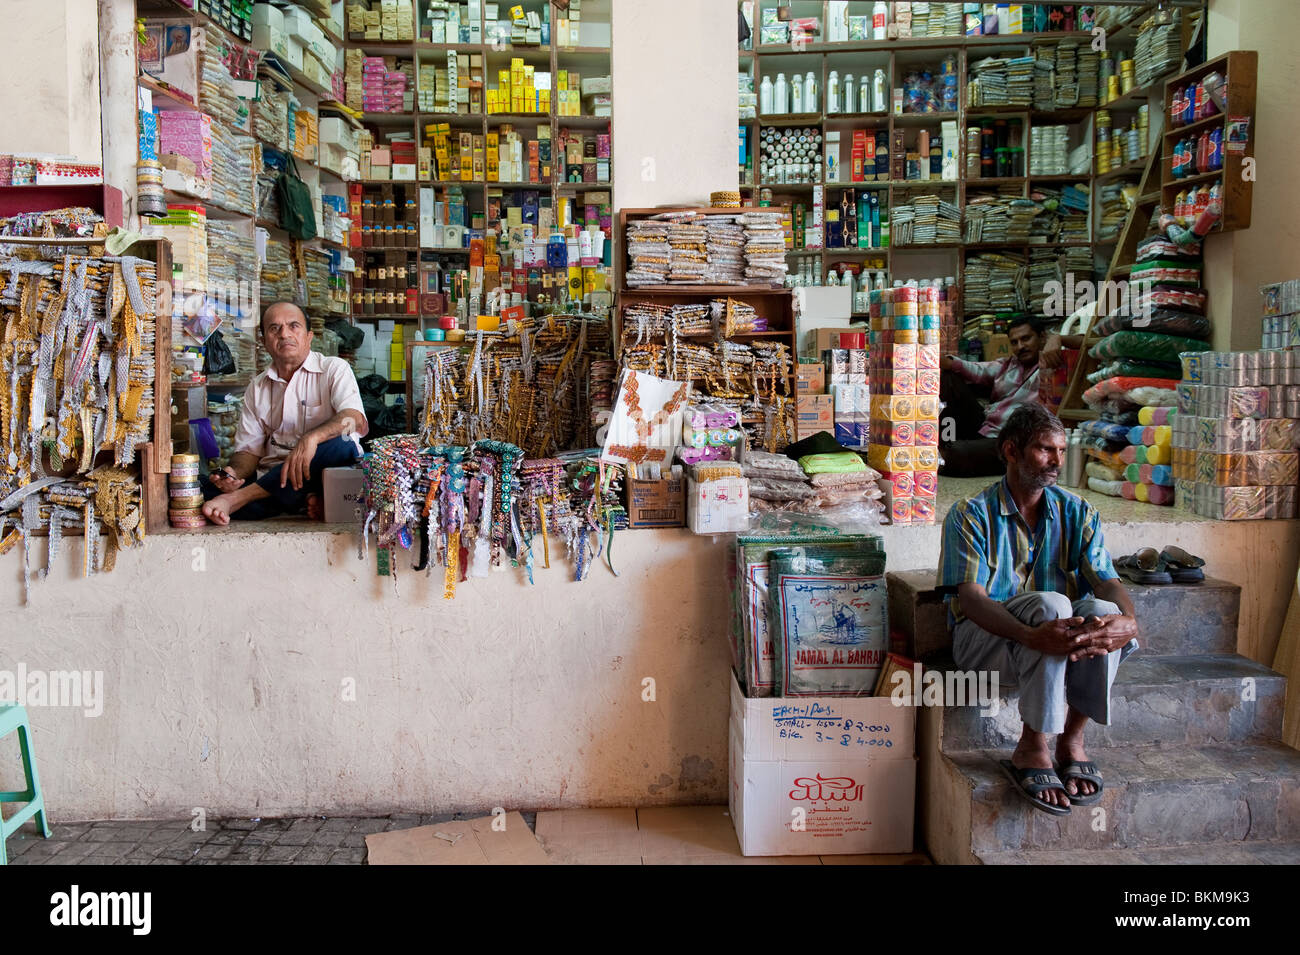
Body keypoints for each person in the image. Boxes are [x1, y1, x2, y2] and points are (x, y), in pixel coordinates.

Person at [936, 402, 1139, 816]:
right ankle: (1031, 745)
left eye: (1061, 451)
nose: (1056, 461)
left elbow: (1106, 579)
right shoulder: (970, 514)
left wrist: (1128, 622)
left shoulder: (1078, 510)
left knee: (1100, 610)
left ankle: (1072, 740)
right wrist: (1031, 634)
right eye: (1045, 450)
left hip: (1054, 637)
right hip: (986, 643)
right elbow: (972, 600)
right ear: (1011, 451)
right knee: (1052, 604)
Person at [201, 302, 368, 524]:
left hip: (321, 473)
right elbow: (249, 451)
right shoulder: (258, 386)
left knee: (344, 444)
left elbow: (353, 419)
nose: (284, 334)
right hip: (273, 481)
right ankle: (302, 500)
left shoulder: (334, 369)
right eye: (274, 328)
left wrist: (312, 438)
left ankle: (236, 500)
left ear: (309, 337)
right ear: (263, 341)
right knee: (190, 488)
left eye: (293, 326)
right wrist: (234, 473)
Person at [938, 317, 1045, 476]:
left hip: (1012, 437)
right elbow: (977, 369)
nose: (1020, 346)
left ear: (1042, 337)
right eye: (1014, 342)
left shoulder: (1051, 367)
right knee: (949, 379)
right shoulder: (1009, 365)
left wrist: (1057, 340)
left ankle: (948, 452)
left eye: (1026, 339)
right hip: (986, 427)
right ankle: (942, 444)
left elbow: (1080, 344)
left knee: (954, 455)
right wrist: (940, 359)